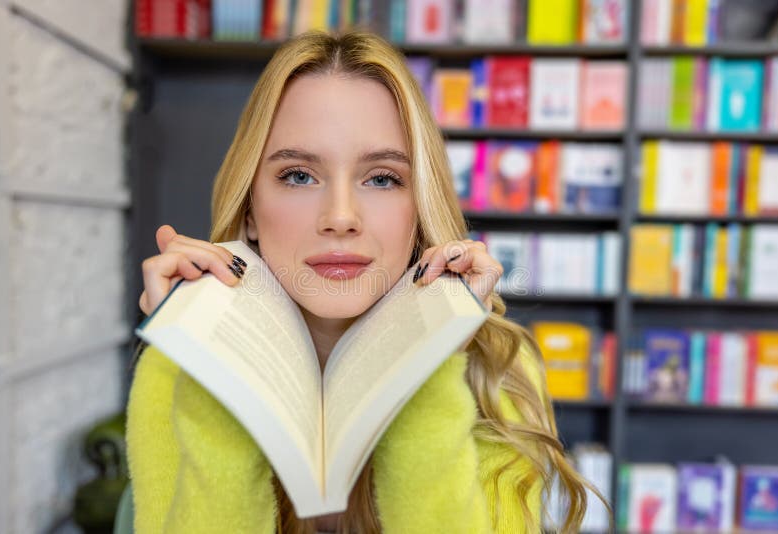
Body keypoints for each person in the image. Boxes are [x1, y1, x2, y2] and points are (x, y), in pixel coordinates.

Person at [126, 29, 605, 534]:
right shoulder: (175, 369)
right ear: (249, 211)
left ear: (419, 207)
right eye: (298, 175)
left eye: (381, 178)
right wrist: (217, 373)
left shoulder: (498, 367)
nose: (340, 217)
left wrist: (429, 365)